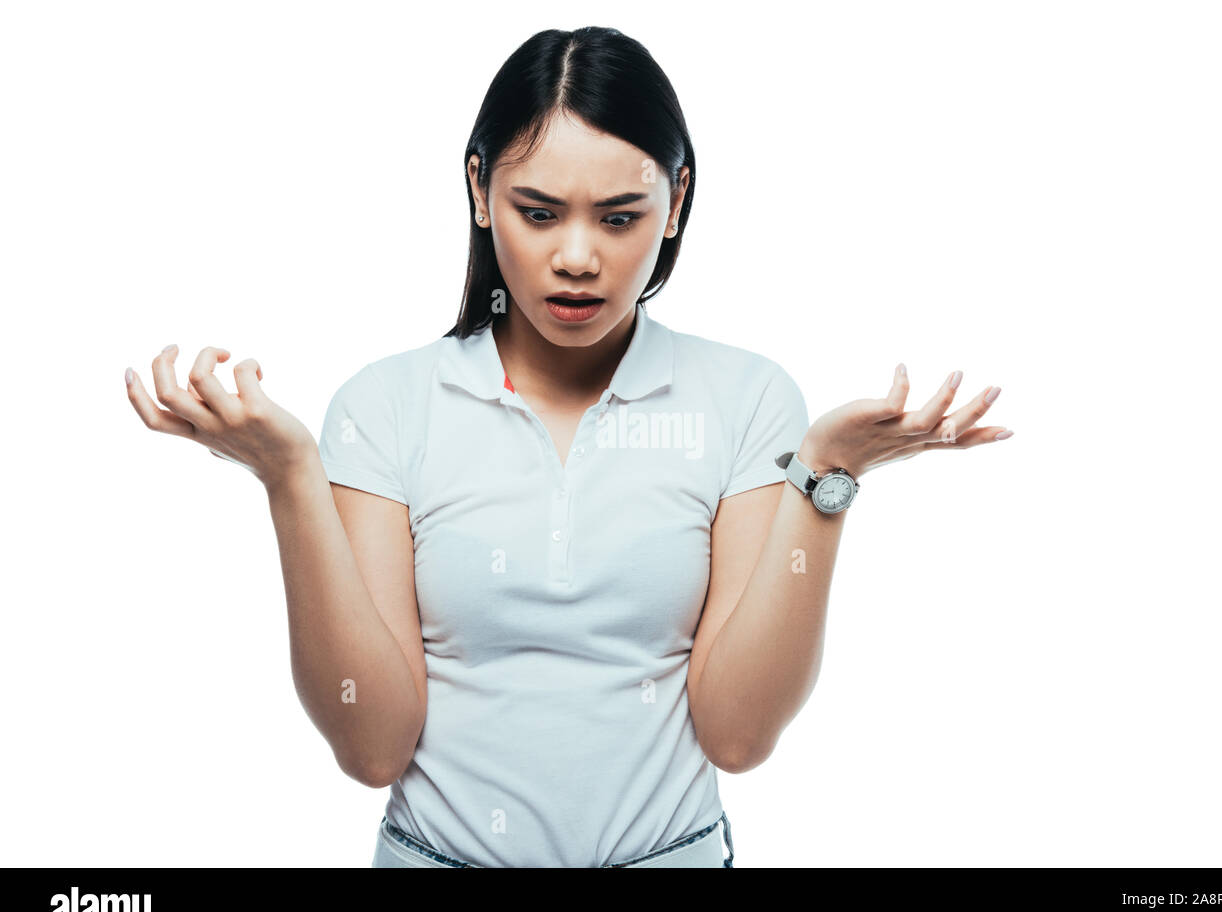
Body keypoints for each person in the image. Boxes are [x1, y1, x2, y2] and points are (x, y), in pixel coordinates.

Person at [123, 26, 1013, 868]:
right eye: (539, 213)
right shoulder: (387, 406)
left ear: (678, 200)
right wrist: (290, 479)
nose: (577, 258)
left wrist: (829, 473)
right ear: (479, 190)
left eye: (620, 217)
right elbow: (371, 743)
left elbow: (738, 734)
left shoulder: (745, 401)